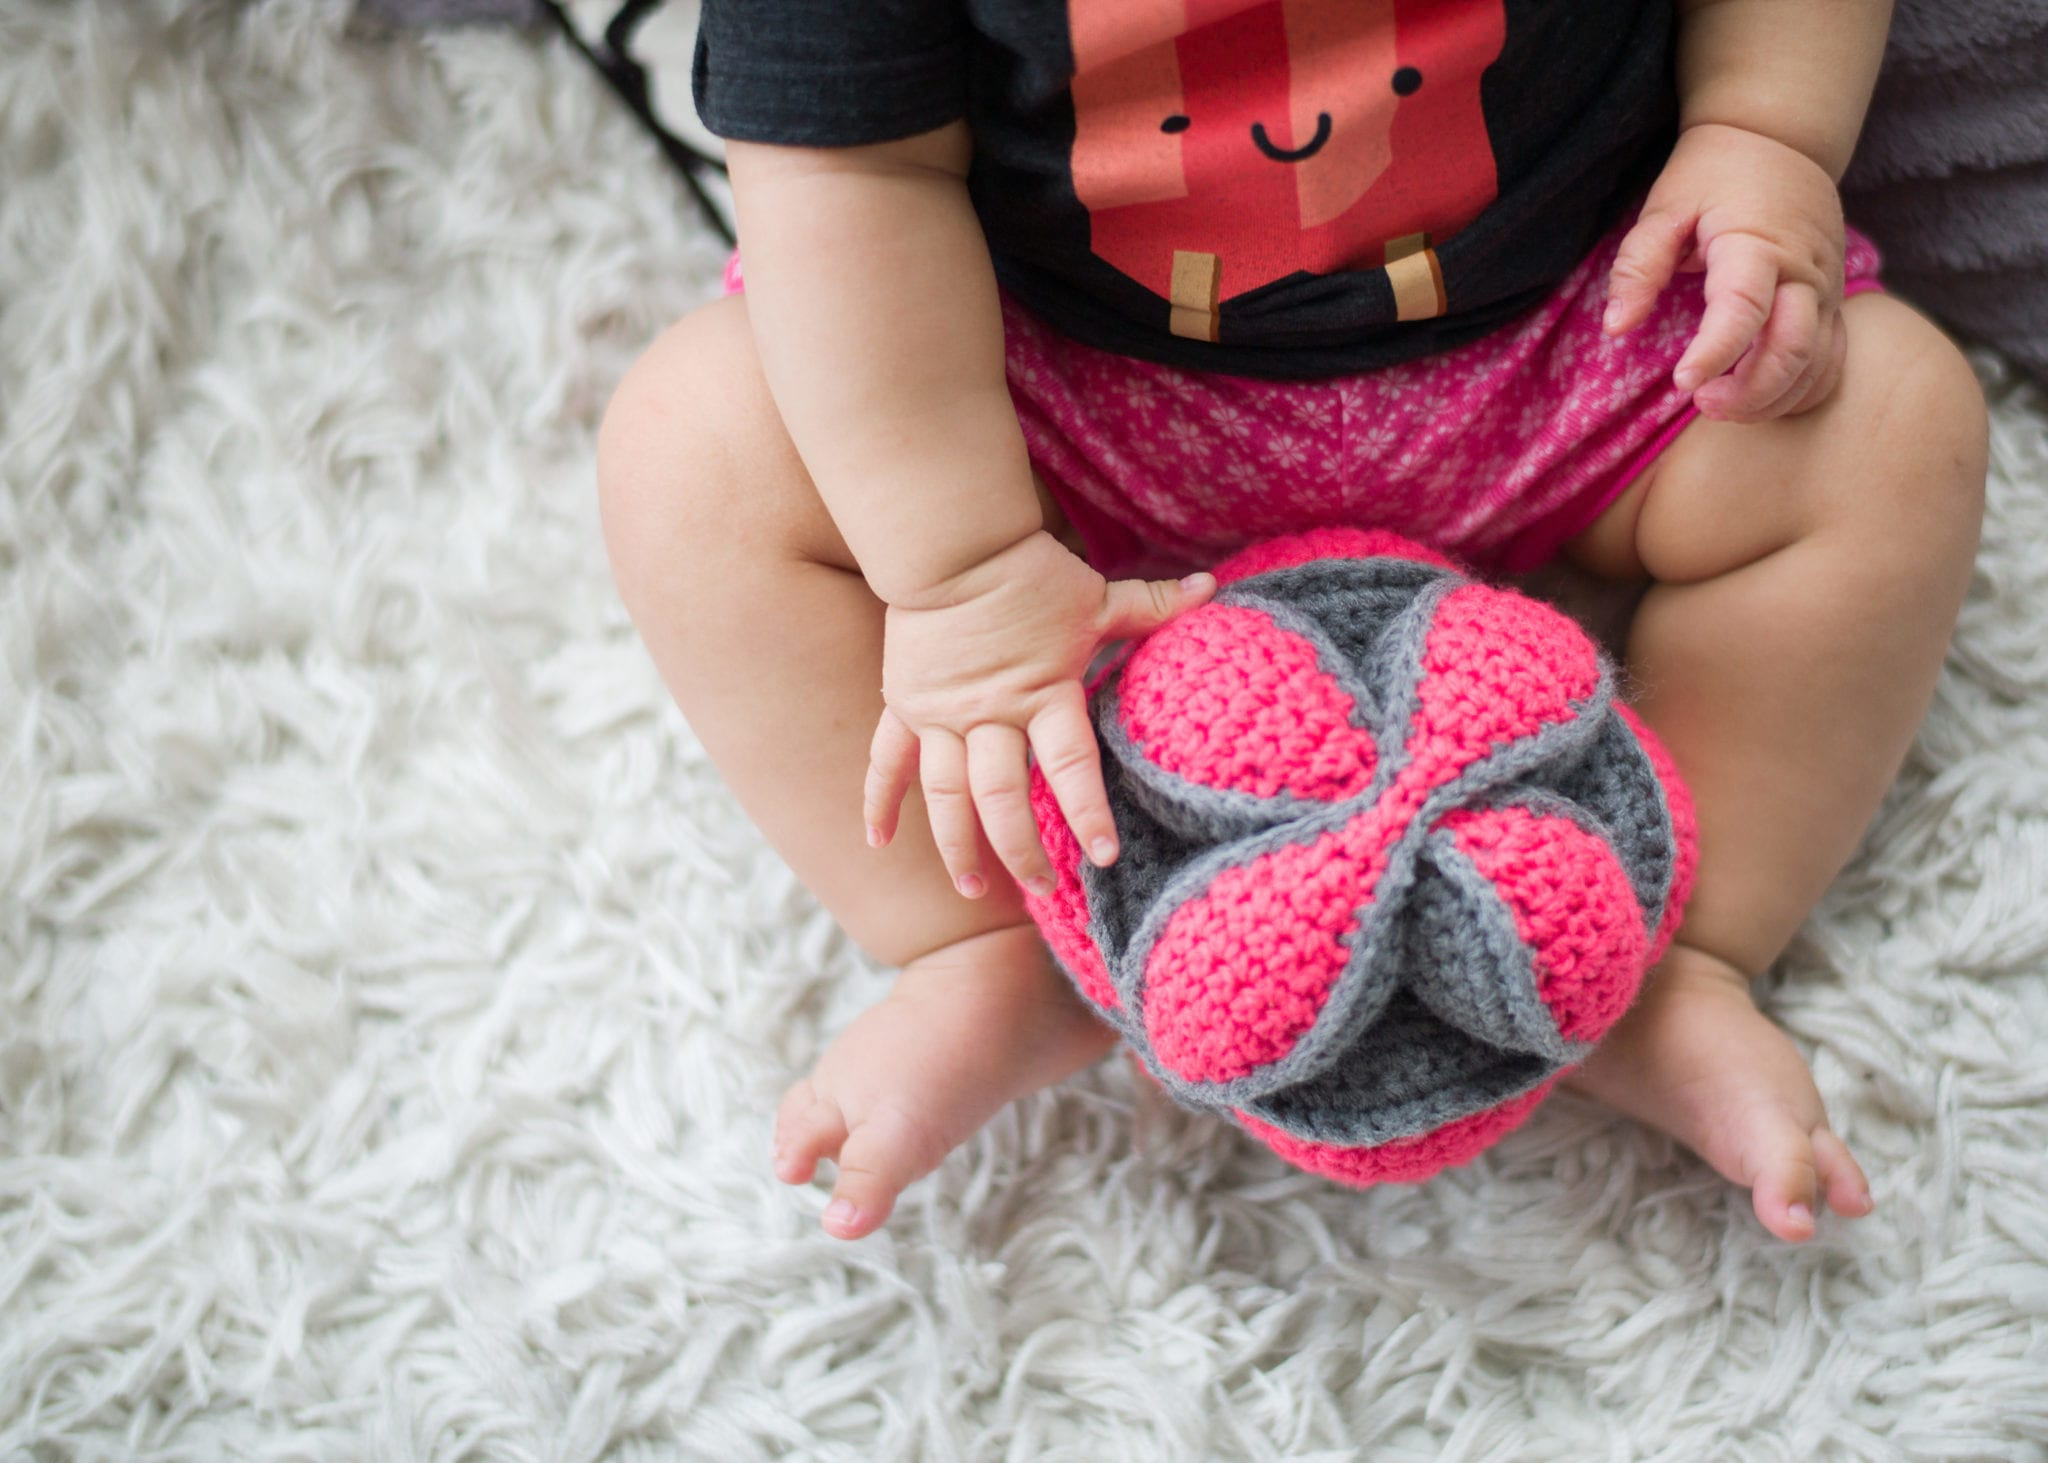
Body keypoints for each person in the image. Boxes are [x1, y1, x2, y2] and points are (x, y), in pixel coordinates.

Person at [597, 0, 1987, 1243]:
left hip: (1558, 345)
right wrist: (956, 567)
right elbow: (850, 171)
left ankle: (1677, 952)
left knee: (1887, 421)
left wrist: (1765, 128)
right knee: (695, 449)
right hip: (1029, 409)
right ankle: (984, 949)